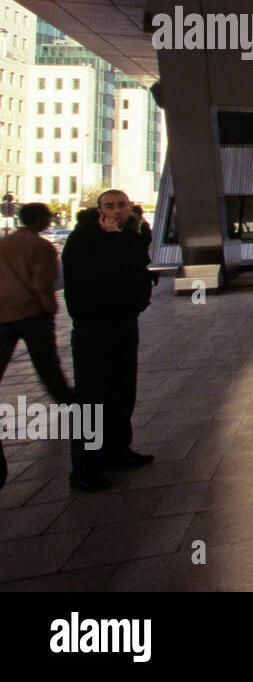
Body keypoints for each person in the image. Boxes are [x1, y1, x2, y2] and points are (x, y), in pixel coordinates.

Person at [61, 189, 154, 491]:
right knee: (91, 400)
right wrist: (115, 240)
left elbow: (135, 270)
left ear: (130, 207)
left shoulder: (128, 234)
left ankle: (117, 451)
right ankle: (84, 468)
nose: (116, 211)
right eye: (110, 206)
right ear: (99, 209)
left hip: (123, 323)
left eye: (121, 205)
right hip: (93, 329)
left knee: (122, 393)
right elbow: (103, 274)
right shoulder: (83, 239)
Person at [0, 203, 75, 490]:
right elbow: (43, 283)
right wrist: (50, 307)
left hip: (3, 313)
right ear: (41, 220)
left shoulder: (4, 243)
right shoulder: (41, 247)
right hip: (31, 312)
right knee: (46, 361)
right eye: (48, 217)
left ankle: (64, 398)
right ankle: (66, 400)